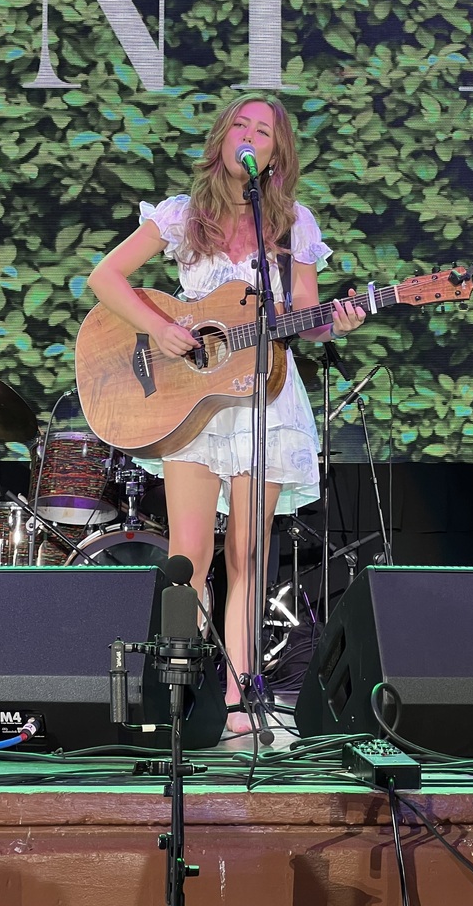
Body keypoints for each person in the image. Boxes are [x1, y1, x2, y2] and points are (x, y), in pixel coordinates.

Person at [86, 93, 365, 733]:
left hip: (265, 394)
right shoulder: (182, 215)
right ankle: (182, 695)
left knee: (248, 554)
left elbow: (305, 316)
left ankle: (240, 697)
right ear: (221, 138)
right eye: (240, 123)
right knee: (189, 555)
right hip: (191, 397)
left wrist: (336, 322)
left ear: (276, 153)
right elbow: (106, 278)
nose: (248, 135)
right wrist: (159, 328)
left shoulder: (292, 224)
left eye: (262, 130)